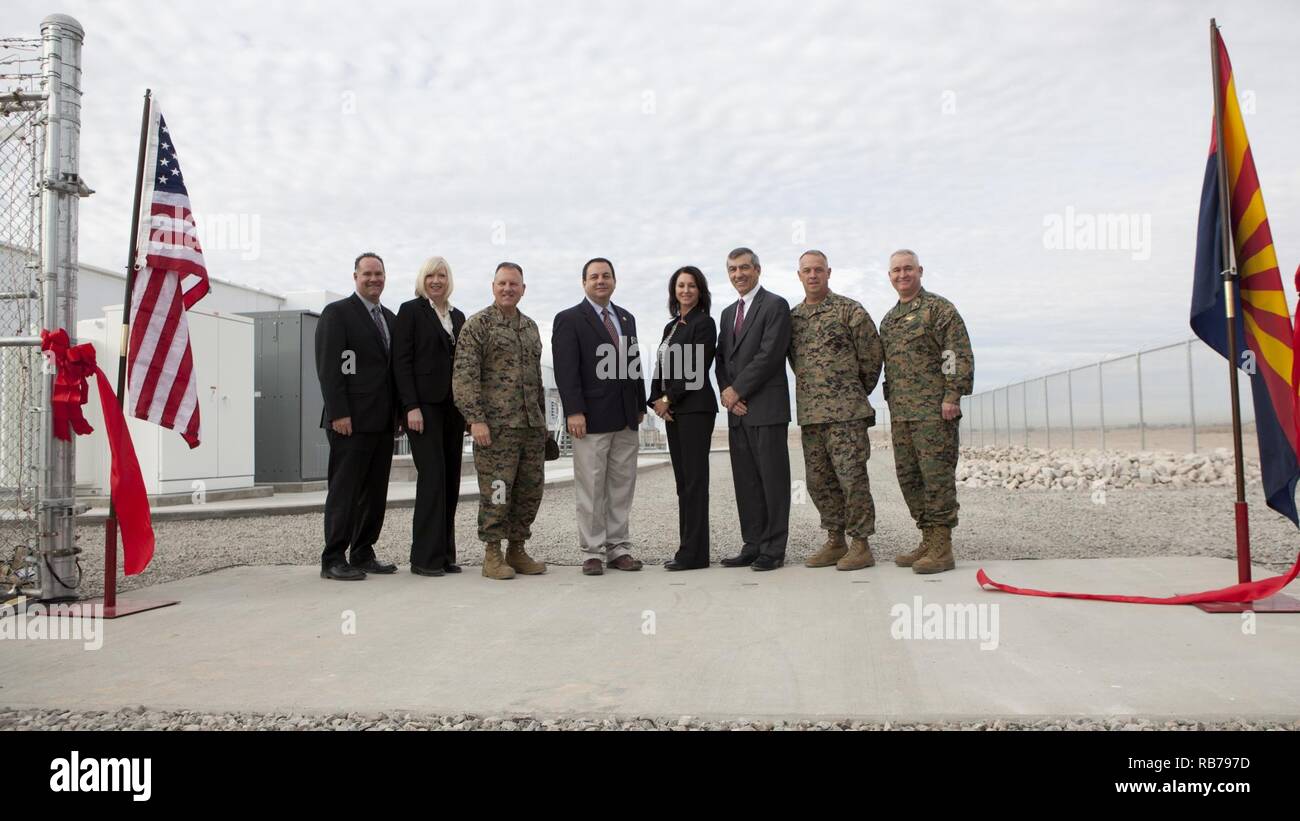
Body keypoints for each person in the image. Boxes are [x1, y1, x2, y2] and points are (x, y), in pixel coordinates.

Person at [879, 249, 974, 574]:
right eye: (896, 271)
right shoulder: (889, 321)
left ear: (920, 271)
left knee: (936, 478)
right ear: (889, 276)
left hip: (935, 412)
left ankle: (942, 546)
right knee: (910, 478)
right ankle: (927, 537)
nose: (902, 275)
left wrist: (952, 394)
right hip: (902, 414)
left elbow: (954, 352)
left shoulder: (938, 309)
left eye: (908, 269)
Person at [451, 262, 549, 580]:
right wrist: (475, 419)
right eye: (502, 283)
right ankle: (492, 554)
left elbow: (536, 379)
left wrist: (543, 424)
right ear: (493, 286)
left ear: (523, 289)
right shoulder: (478, 325)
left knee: (529, 491)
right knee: (497, 490)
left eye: (514, 284)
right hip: (495, 428)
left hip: (530, 427)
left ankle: (517, 550)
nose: (508, 289)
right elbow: (464, 376)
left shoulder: (531, 327)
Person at [551, 257, 648, 576]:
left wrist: (640, 403)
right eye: (594, 277)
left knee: (622, 484)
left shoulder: (626, 318)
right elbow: (567, 370)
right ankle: (592, 551)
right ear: (584, 283)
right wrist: (573, 411)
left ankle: (618, 548)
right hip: (590, 419)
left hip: (625, 417)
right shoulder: (569, 319)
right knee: (591, 486)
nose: (600, 281)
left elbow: (633, 363)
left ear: (615, 281)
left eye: (606, 276)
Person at [788, 250, 883, 571]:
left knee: (852, 478)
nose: (812, 275)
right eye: (806, 271)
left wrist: (853, 392)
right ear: (798, 275)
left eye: (818, 270)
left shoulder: (849, 311)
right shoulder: (794, 318)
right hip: (812, 416)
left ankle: (860, 544)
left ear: (829, 273)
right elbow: (794, 362)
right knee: (818, 480)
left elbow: (872, 357)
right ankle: (835, 539)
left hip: (847, 415)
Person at [314, 252, 400, 581]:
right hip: (349, 422)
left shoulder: (390, 319)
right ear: (355, 277)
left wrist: (398, 415)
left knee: (374, 493)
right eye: (367, 274)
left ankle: (363, 551)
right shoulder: (337, 314)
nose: (374, 279)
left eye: (379, 274)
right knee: (345, 491)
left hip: (381, 423)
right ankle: (333, 557)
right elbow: (328, 368)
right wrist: (338, 413)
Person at [715, 247, 792, 571]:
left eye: (744, 268)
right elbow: (723, 358)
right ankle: (752, 544)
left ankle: (773, 549)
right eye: (732, 269)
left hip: (766, 408)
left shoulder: (775, 305)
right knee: (746, 482)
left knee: (772, 481)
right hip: (738, 411)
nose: (738, 275)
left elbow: (769, 354)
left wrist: (737, 390)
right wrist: (726, 393)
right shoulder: (728, 313)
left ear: (757, 270)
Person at [392, 256, 466, 577]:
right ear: (423, 279)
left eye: (442, 275)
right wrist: (410, 406)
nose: (436, 280)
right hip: (424, 409)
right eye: (431, 275)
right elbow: (401, 362)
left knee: (450, 479)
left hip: (453, 409)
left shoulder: (458, 316)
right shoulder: (410, 312)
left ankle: (446, 554)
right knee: (432, 477)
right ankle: (424, 557)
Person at [648, 266, 718, 570]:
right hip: (673, 411)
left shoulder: (704, 324)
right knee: (683, 483)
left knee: (695, 482)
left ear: (700, 291)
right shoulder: (671, 327)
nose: (686, 290)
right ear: (673, 291)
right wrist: (654, 399)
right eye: (681, 285)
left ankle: (695, 554)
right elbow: (660, 366)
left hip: (695, 410)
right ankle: (687, 550)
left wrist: (667, 399)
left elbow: (695, 367)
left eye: (692, 285)